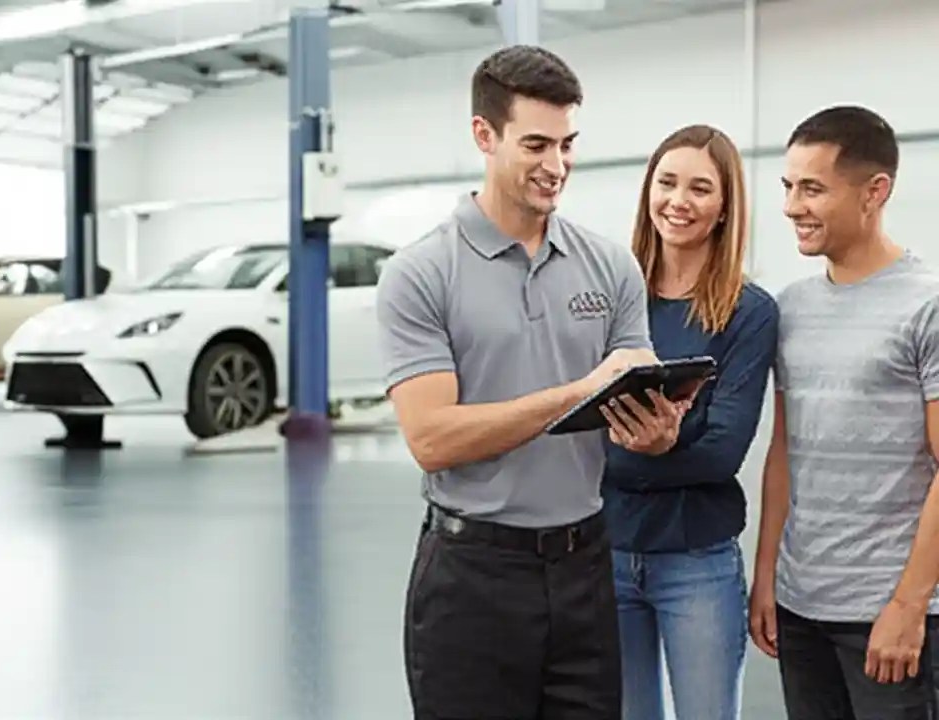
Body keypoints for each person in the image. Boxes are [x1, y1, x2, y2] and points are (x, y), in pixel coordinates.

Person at [375, 44, 658, 719]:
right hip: (473, 579)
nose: (556, 165)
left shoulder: (611, 266)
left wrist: (656, 427)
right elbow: (433, 438)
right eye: (535, 144)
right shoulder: (421, 274)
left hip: (586, 567)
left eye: (567, 144)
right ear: (484, 135)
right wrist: (582, 391)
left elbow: (635, 392)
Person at [750, 104, 939, 718]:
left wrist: (909, 607)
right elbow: (784, 452)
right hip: (803, 610)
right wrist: (768, 577)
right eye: (787, 186)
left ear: (874, 192)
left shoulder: (927, 305)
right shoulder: (792, 307)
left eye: (812, 188)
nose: (791, 206)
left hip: (890, 617)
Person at [597, 124, 779, 720]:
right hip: (605, 551)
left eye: (701, 188)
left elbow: (724, 451)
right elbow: (582, 432)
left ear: (725, 207)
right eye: (667, 182)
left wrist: (653, 446)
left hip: (696, 558)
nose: (679, 200)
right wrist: (670, 441)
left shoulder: (748, 313)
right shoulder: (611, 298)